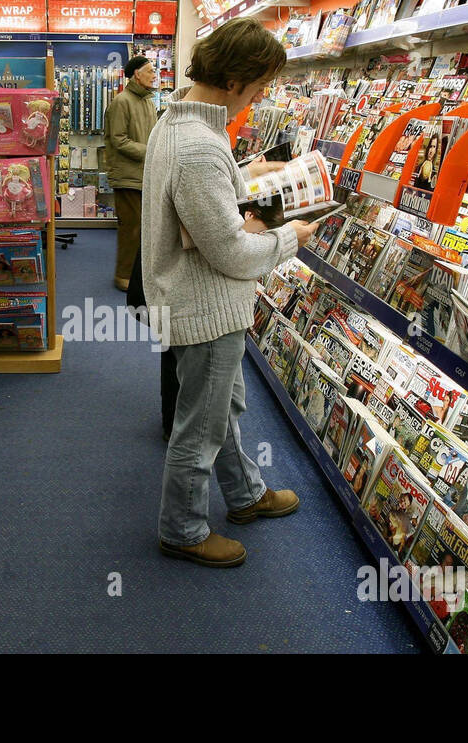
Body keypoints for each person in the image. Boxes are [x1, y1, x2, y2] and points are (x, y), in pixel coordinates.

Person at [142, 17, 316, 568]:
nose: (262, 96)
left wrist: (246, 172)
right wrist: (293, 236)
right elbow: (232, 251)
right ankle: (183, 528)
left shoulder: (181, 123)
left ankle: (244, 493)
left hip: (194, 301)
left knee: (223, 407)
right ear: (237, 79)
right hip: (205, 308)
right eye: (260, 84)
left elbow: (202, 208)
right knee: (202, 425)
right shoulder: (198, 146)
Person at [105, 56, 159, 292]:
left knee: (144, 227)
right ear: (137, 74)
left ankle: (137, 274)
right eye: (149, 71)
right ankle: (124, 276)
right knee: (131, 227)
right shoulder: (121, 102)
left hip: (145, 174)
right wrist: (151, 151)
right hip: (127, 176)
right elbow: (118, 140)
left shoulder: (147, 101)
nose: (154, 75)